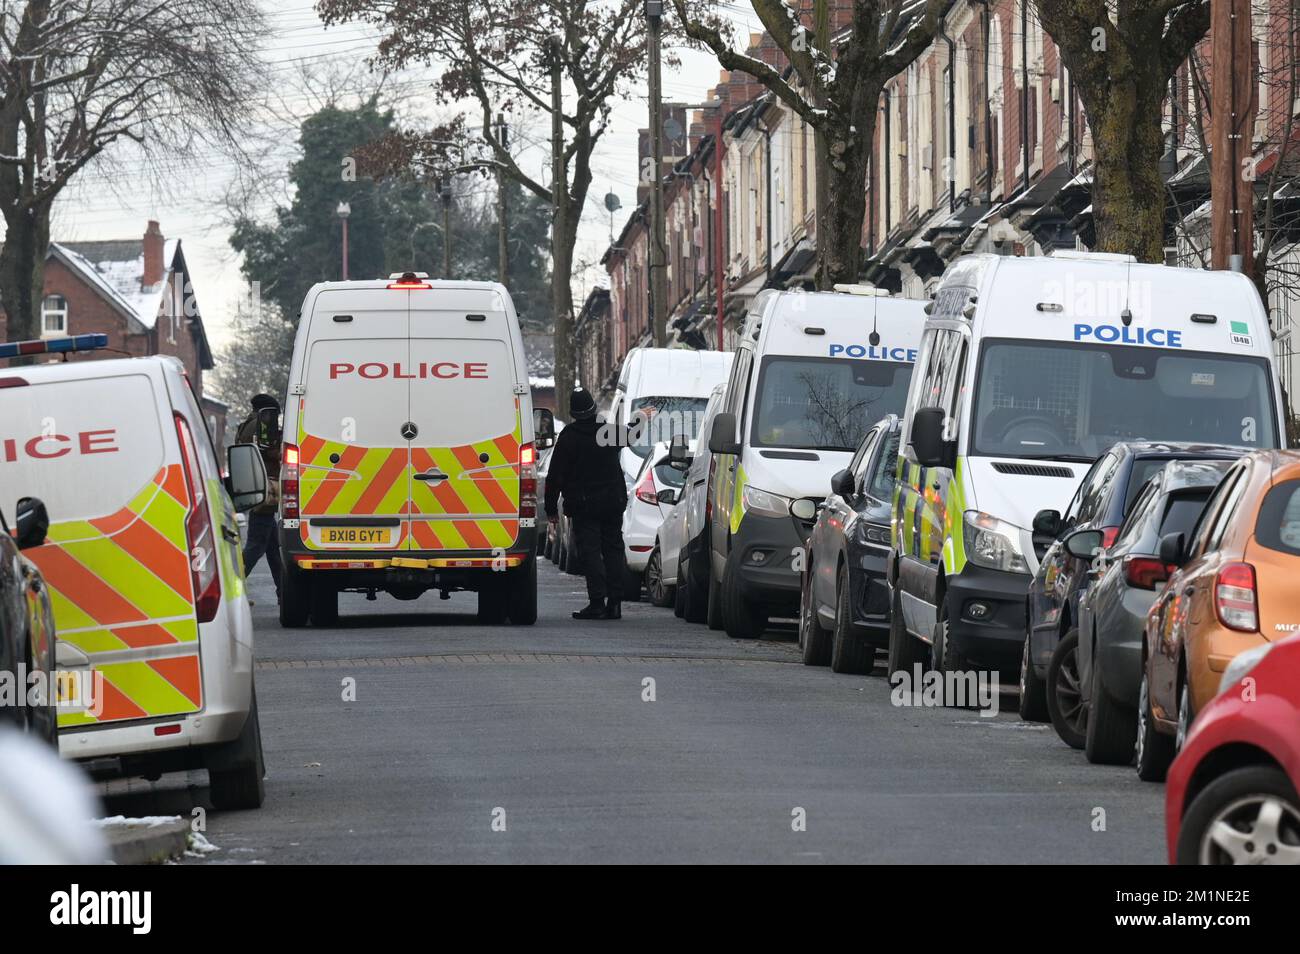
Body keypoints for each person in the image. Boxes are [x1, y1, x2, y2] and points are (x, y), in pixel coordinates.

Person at [544, 387, 629, 620]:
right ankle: (615, 603)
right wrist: (642, 418)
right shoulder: (609, 433)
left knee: (590, 553)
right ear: (593, 408)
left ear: (573, 412)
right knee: (613, 549)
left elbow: (554, 477)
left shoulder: (569, 437)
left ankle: (597, 602)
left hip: (585, 506)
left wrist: (551, 509)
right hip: (612, 503)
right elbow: (632, 435)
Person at [236, 393, 283, 600]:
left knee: (273, 548)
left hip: (256, 486)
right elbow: (272, 451)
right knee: (255, 545)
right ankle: (231, 589)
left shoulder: (246, 425)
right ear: (268, 411)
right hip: (265, 488)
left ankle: (285, 591)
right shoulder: (262, 426)